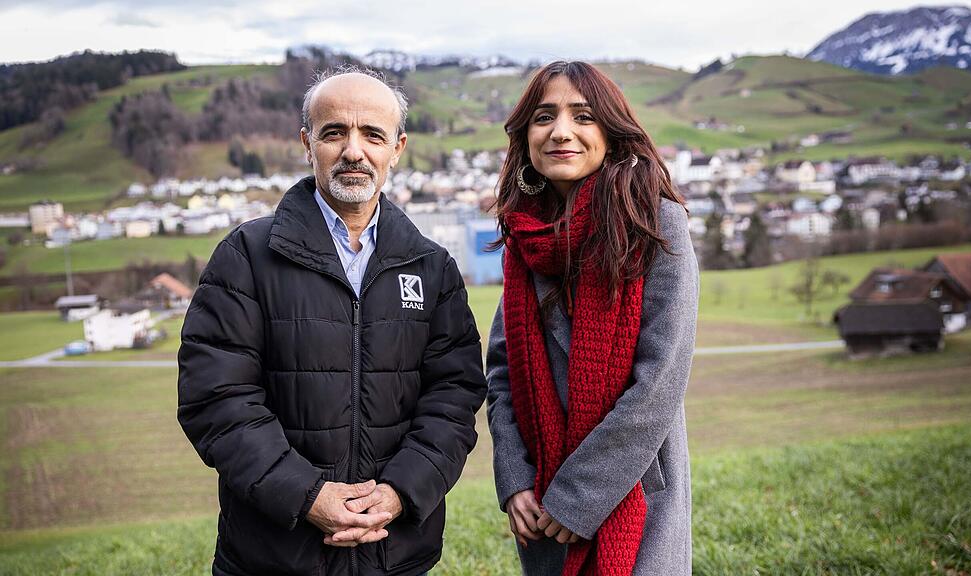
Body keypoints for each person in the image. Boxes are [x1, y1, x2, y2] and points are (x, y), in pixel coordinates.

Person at [177, 67, 487, 576]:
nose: (353, 151)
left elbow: (454, 397)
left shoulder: (433, 268)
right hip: (272, 555)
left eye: (372, 134)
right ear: (307, 142)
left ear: (398, 148)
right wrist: (306, 496)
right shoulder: (248, 256)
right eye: (334, 132)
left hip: (396, 552)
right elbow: (216, 398)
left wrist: (399, 492)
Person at [485, 61, 700, 576]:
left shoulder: (655, 222)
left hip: (633, 492)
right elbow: (501, 374)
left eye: (583, 116)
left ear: (611, 131)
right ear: (525, 137)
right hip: (541, 497)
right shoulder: (525, 240)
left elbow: (659, 384)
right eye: (544, 117)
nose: (561, 131)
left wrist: (580, 498)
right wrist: (515, 479)